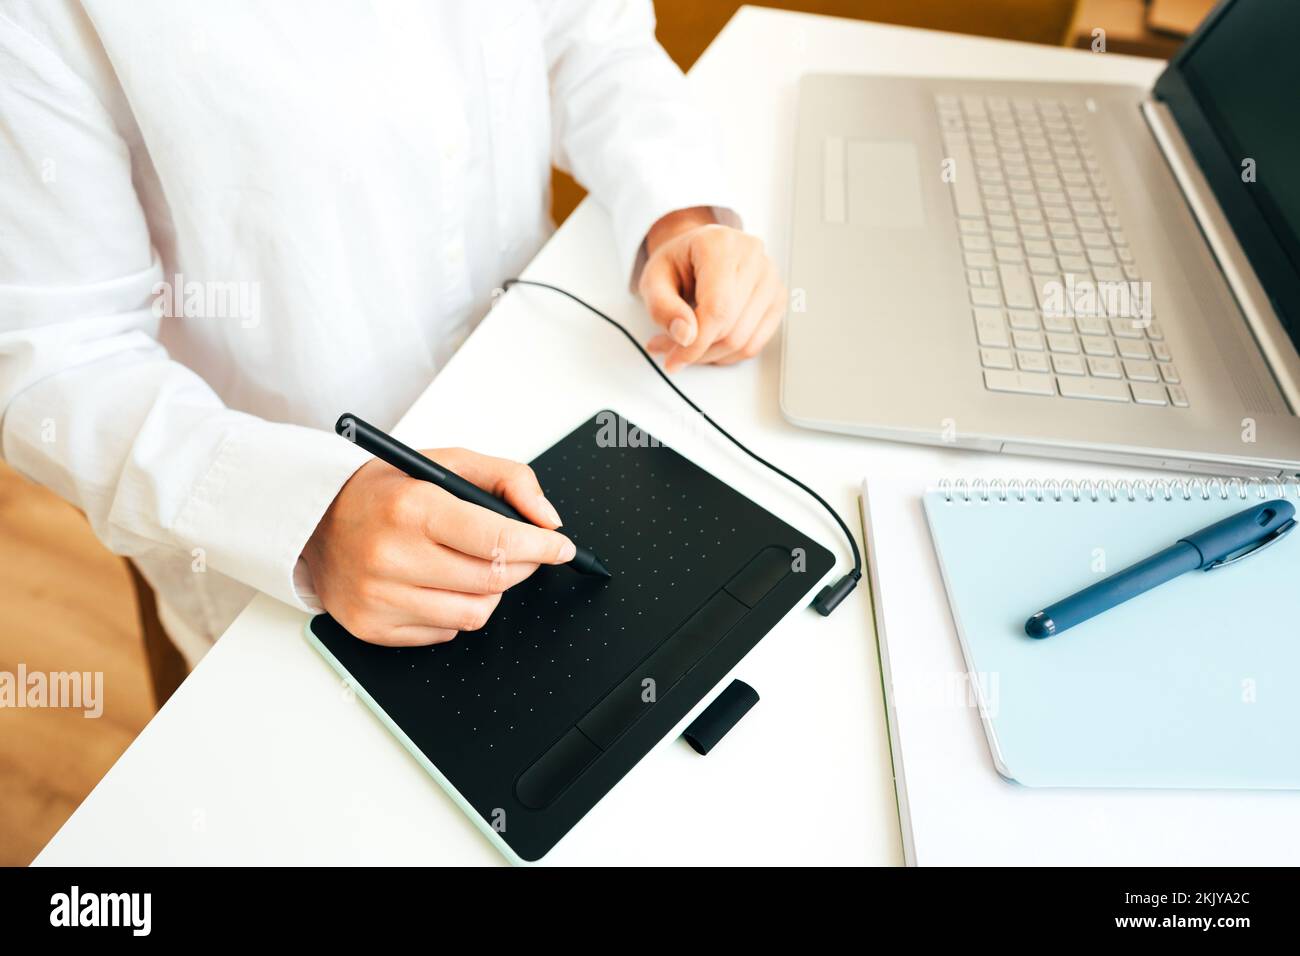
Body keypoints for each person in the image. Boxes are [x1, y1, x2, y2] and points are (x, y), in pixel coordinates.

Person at [0, 1, 786, 662]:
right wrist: (312, 517)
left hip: (547, 392)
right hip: (287, 558)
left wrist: (678, 211)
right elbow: (60, 358)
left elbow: (591, 38)